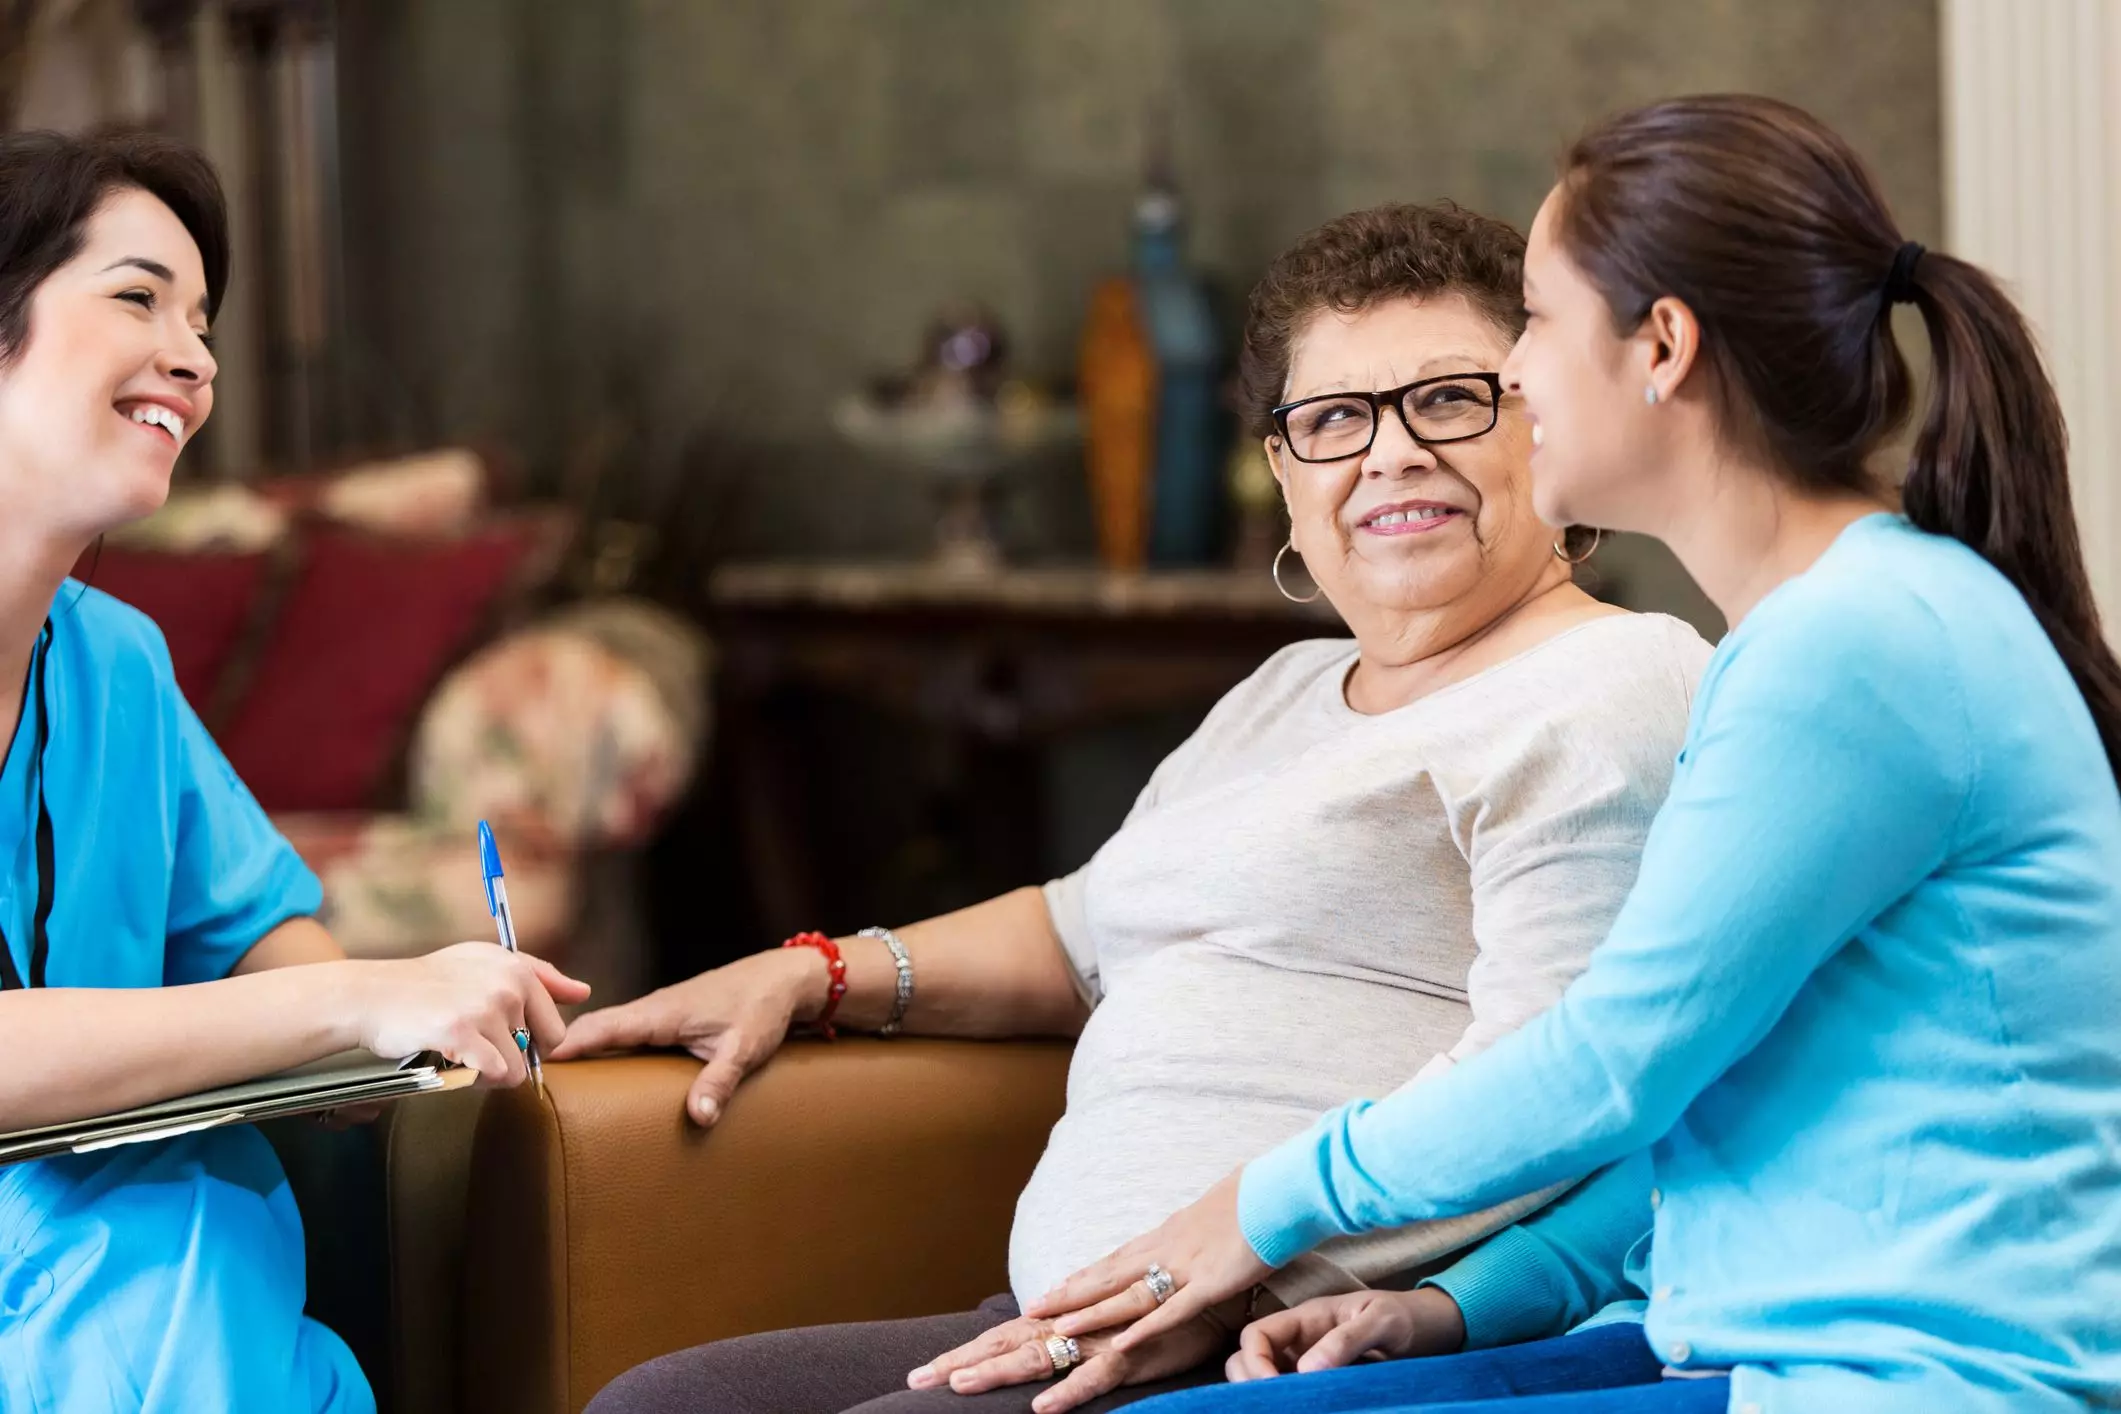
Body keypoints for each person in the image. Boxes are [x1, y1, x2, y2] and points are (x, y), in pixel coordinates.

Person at [1029, 94, 2121, 1414]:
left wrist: (1251, 1209)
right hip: (1746, 1348)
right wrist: (1454, 1301)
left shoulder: (1852, 646)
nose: (1517, 379)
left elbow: (1610, 1063)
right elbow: (1695, 1096)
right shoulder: (1822, 628)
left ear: (1661, 347)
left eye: (1534, 323)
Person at [579, 202, 1710, 1414]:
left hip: (1306, 1344)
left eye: (1447, 400)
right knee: (656, 1402)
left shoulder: (1608, 682)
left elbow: (1559, 1077)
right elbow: (1083, 932)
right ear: (1282, 472)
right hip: (1075, 1322)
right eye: (1332, 419)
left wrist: (1238, 1253)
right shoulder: (1283, 691)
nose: (1389, 455)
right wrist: (817, 972)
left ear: (1543, 413)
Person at [0, 128, 590, 1414]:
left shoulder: (119, 668)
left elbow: (266, 939)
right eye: (139, 295)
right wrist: (350, 1009)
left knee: (192, 1275)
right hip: (96, 1291)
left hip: (143, 1268)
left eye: (203, 320)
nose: (195, 358)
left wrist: (407, 1040)